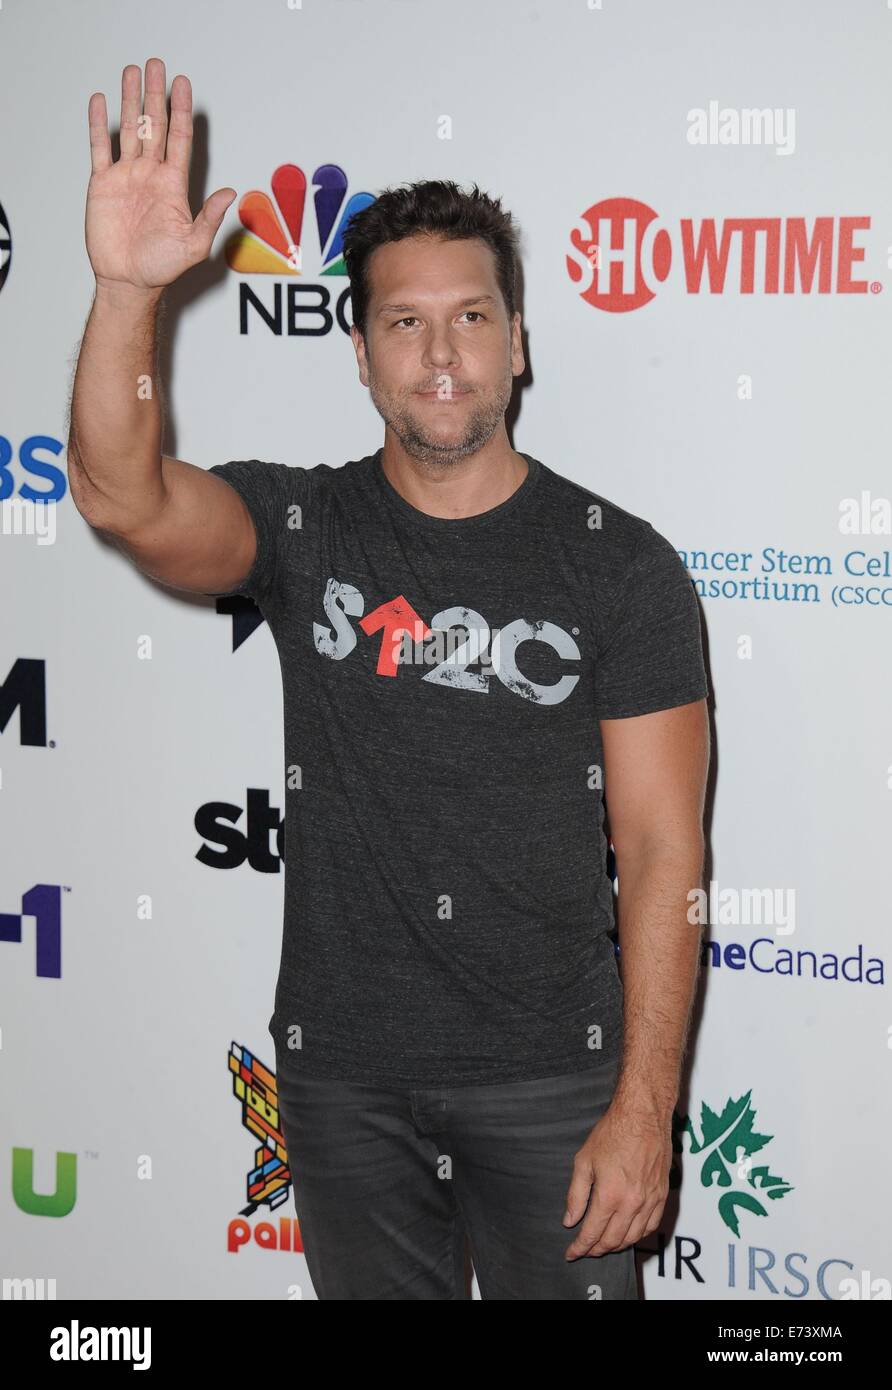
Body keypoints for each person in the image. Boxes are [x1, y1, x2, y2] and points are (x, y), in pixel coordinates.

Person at [68, 58, 710, 1301]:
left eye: (471, 316)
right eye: (404, 322)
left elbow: (662, 851)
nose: (440, 355)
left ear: (518, 341)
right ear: (358, 352)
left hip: (553, 1078)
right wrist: (122, 296)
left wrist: (643, 1108)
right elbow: (119, 492)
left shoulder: (618, 568)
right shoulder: (302, 527)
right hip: (342, 1075)